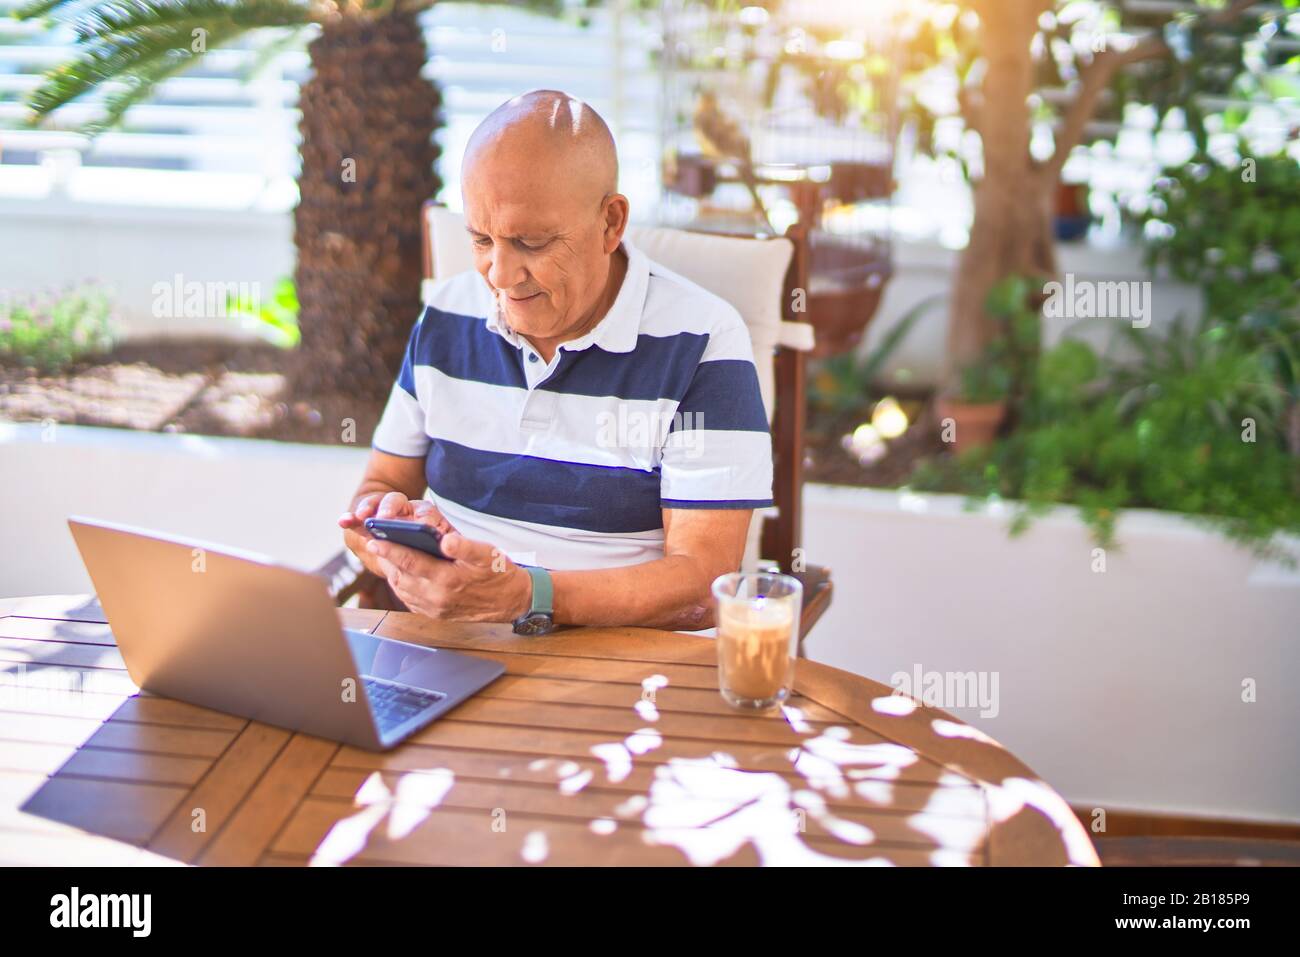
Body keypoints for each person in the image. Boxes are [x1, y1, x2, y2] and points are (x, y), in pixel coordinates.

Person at [339, 90, 772, 634]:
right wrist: (394, 545)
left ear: (611, 224)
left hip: (617, 678)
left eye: (532, 242)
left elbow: (705, 585)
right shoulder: (448, 313)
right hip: (450, 651)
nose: (499, 274)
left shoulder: (704, 340)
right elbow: (375, 490)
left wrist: (525, 596)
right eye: (480, 240)